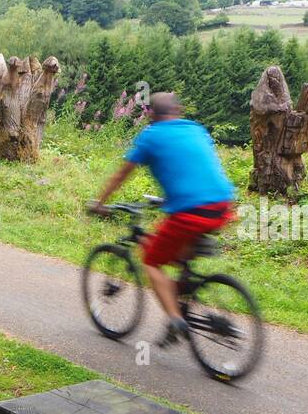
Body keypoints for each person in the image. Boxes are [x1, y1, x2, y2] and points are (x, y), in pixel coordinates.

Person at [89, 92, 235, 345]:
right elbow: (194, 169)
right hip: (223, 206)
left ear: (151, 116)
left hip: (191, 212)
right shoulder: (196, 129)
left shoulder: (151, 136)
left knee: (151, 262)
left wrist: (99, 203)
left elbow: (121, 175)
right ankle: (184, 297)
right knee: (180, 258)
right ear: (177, 111)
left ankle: (175, 321)